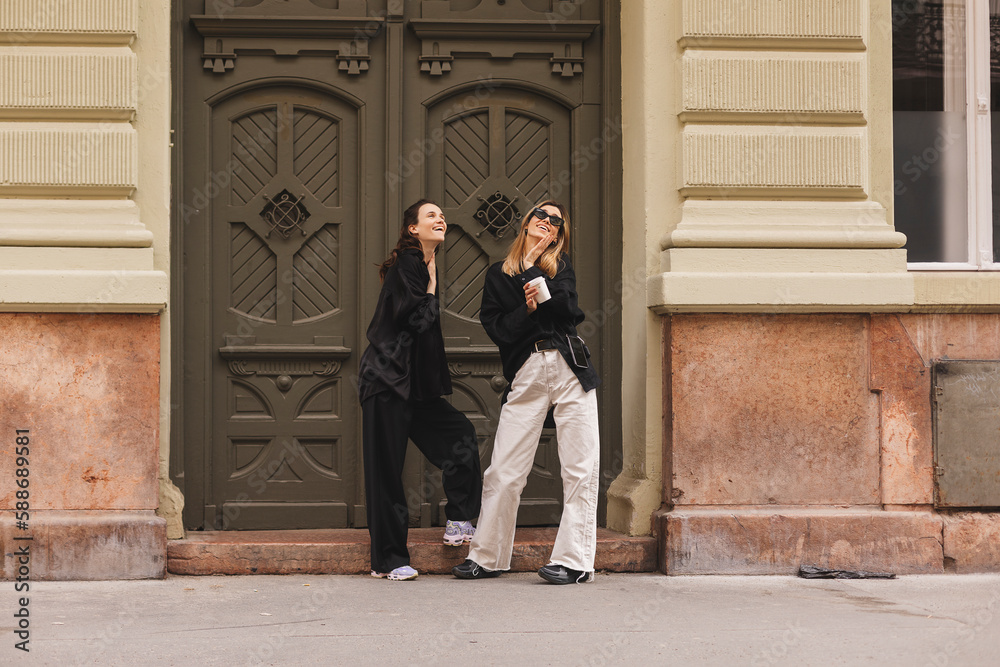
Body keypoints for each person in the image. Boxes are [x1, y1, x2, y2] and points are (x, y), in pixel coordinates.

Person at [452, 201, 601, 585]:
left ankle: (575, 562)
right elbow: (500, 330)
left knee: (580, 468)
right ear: (527, 222)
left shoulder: (559, 267)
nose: (548, 222)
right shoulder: (498, 276)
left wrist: (535, 269)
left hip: (570, 367)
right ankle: (487, 557)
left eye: (557, 221)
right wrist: (531, 308)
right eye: (542, 214)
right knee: (503, 469)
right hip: (528, 369)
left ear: (559, 234)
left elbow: (569, 313)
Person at [357, 199, 482, 581]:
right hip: (386, 381)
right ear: (412, 228)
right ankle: (388, 561)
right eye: (431, 215)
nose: (440, 217)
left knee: (459, 435)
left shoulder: (423, 264)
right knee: (386, 474)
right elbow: (415, 320)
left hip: (414, 387)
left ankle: (459, 519)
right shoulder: (410, 264)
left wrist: (431, 283)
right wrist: (430, 289)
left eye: (443, 214)